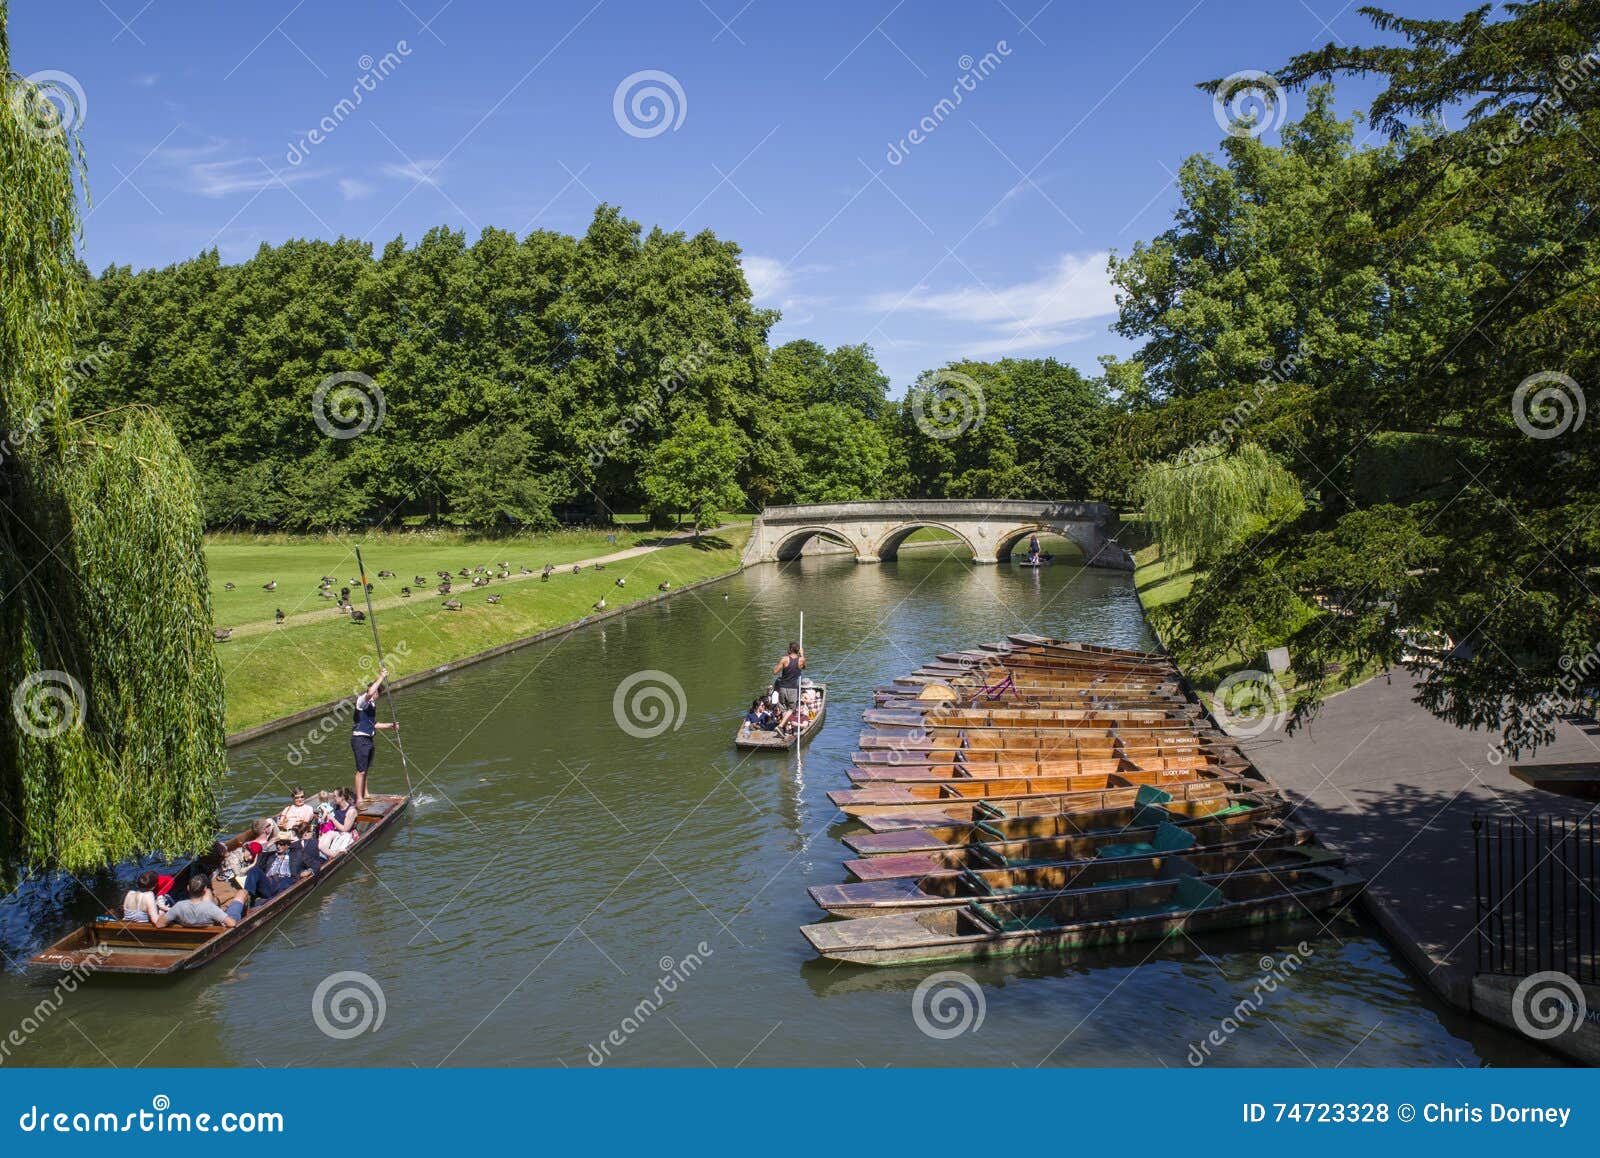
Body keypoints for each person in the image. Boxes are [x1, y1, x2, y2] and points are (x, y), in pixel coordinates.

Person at [352, 667, 400, 805]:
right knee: (360, 770)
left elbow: (374, 724)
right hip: (360, 739)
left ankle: (365, 794)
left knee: (366, 768)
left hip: (368, 739)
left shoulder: (372, 705)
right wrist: (381, 676)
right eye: (379, 692)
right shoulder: (362, 701)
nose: (379, 695)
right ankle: (359, 799)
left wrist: (391, 726)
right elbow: (370, 692)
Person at [248, 830, 316, 903]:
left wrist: (310, 871)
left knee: (284, 881)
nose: (278, 846)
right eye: (277, 844)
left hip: (284, 882)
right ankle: (248, 897)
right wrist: (266, 847)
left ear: (288, 845)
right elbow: (258, 866)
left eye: (281, 844)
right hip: (268, 883)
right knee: (254, 870)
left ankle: (266, 904)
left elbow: (315, 864)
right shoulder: (270, 855)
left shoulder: (297, 854)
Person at [163, 875, 236, 928]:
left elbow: (159, 924)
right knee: (241, 894)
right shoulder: (210, 907)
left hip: (187, 937)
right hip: (208, 936)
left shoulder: (179, 906)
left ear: (188, 888)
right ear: (205, 890)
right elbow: (231, 924)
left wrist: (162, 912)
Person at [319, 788, 359, 857]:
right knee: (322, 843)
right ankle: (324, 854)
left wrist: (332, 819)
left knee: (334, 837)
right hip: (334, 832)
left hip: (347, 834)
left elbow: (345, 829)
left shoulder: (351, 811)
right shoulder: (334, 806)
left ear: (342, 797)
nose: (333, 798)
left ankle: (331, 855)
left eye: (335, 796)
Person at [772, 642, 805, 710]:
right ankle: (786, 720)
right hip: (793, 688)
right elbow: (804, 667)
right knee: (791, 710)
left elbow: (775, 672)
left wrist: (778, 664)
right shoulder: (801, 660)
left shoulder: (784, 659)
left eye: (788, 648)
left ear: (790, 649)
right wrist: (802, 654)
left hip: (783, 688)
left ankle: (783, 720)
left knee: (783, 709)